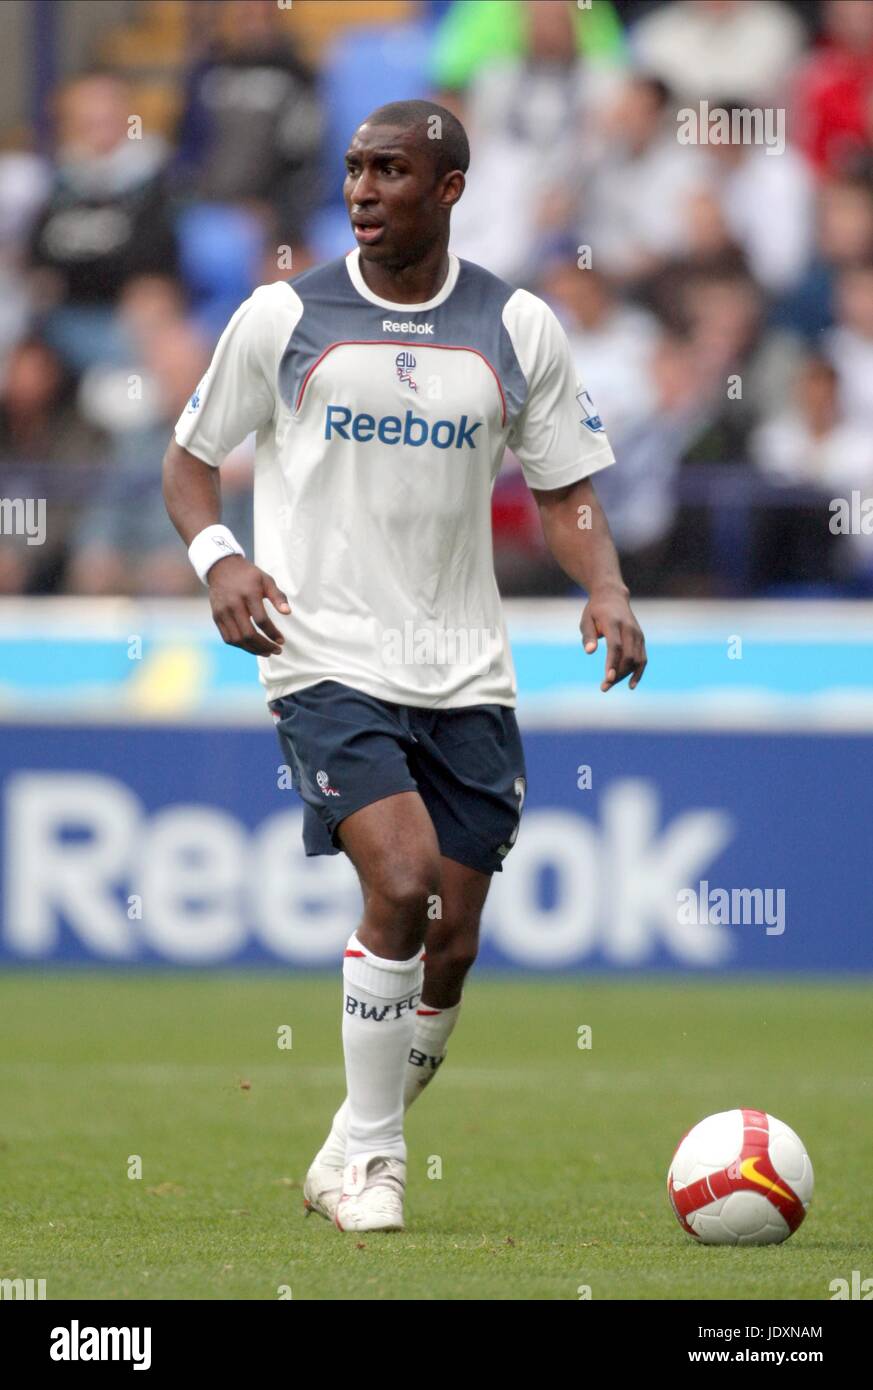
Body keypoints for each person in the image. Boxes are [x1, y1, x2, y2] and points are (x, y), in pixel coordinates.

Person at [162, 99, 646, 1234]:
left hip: (464, 665)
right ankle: (377, 1158)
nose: (365, 190)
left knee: (454, 938)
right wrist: (219, 556)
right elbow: (187, 462)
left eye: (391, 170)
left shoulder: (517, 324)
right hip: (320, 650)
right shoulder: (283, 316)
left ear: (450, 188)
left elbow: (568, 488)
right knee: (401, 877)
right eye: (354, 170)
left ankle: (345, 1139)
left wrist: (607, 584)